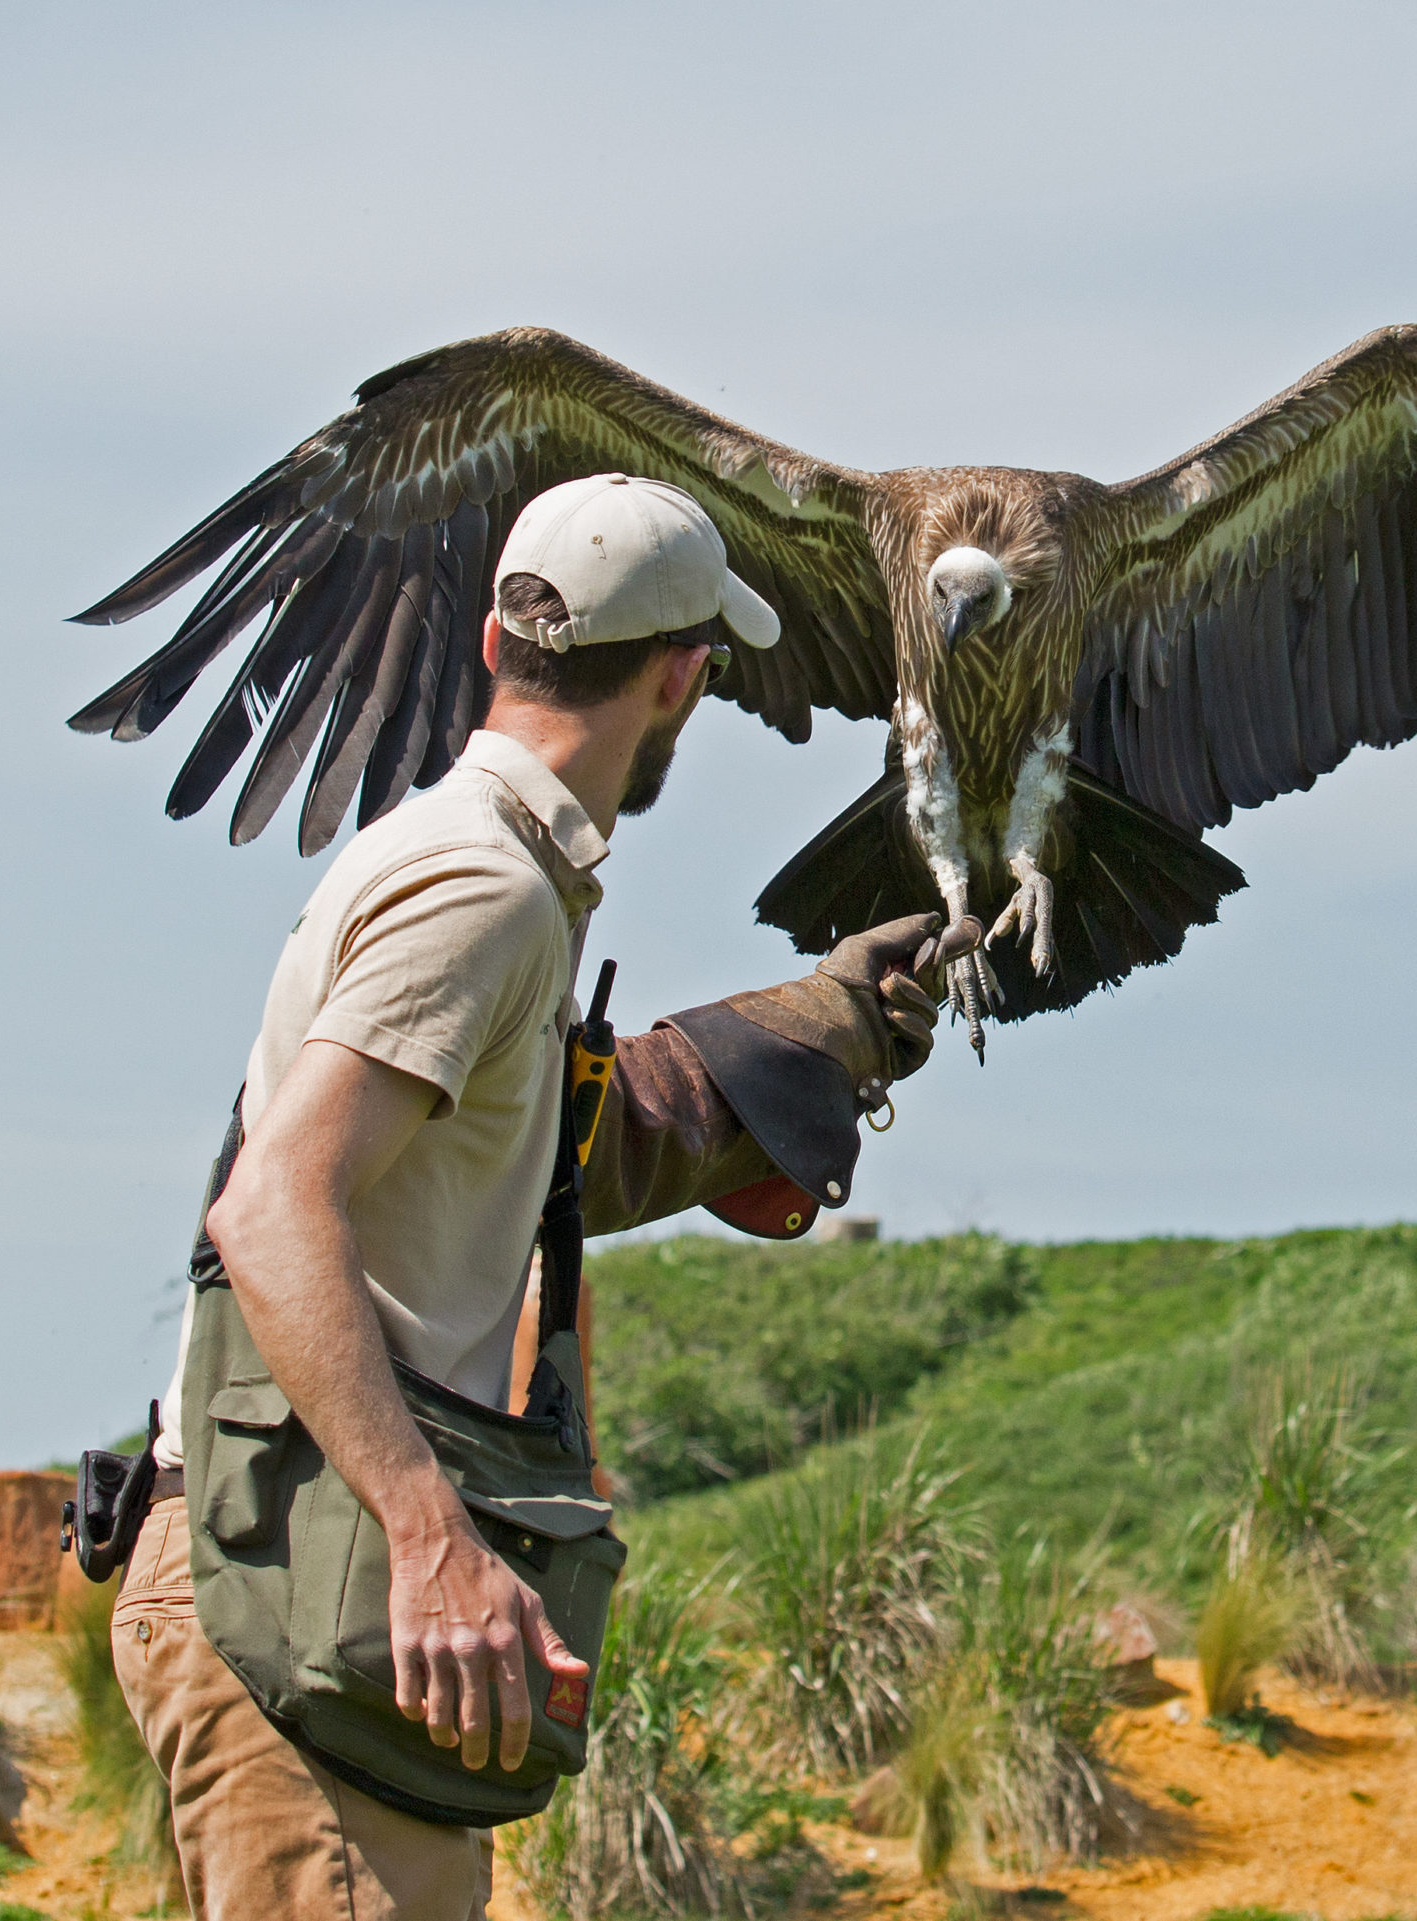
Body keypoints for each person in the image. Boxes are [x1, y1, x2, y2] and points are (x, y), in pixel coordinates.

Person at [110, 472, 957, 1918]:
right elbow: (272, 1206)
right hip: (312, 1568)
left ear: (501, 643)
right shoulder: (479, 890)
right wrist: (434, 1538)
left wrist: (796, 1041)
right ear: (686, 674)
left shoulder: (468, 863)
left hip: (313, 1566)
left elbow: (492, 1166)